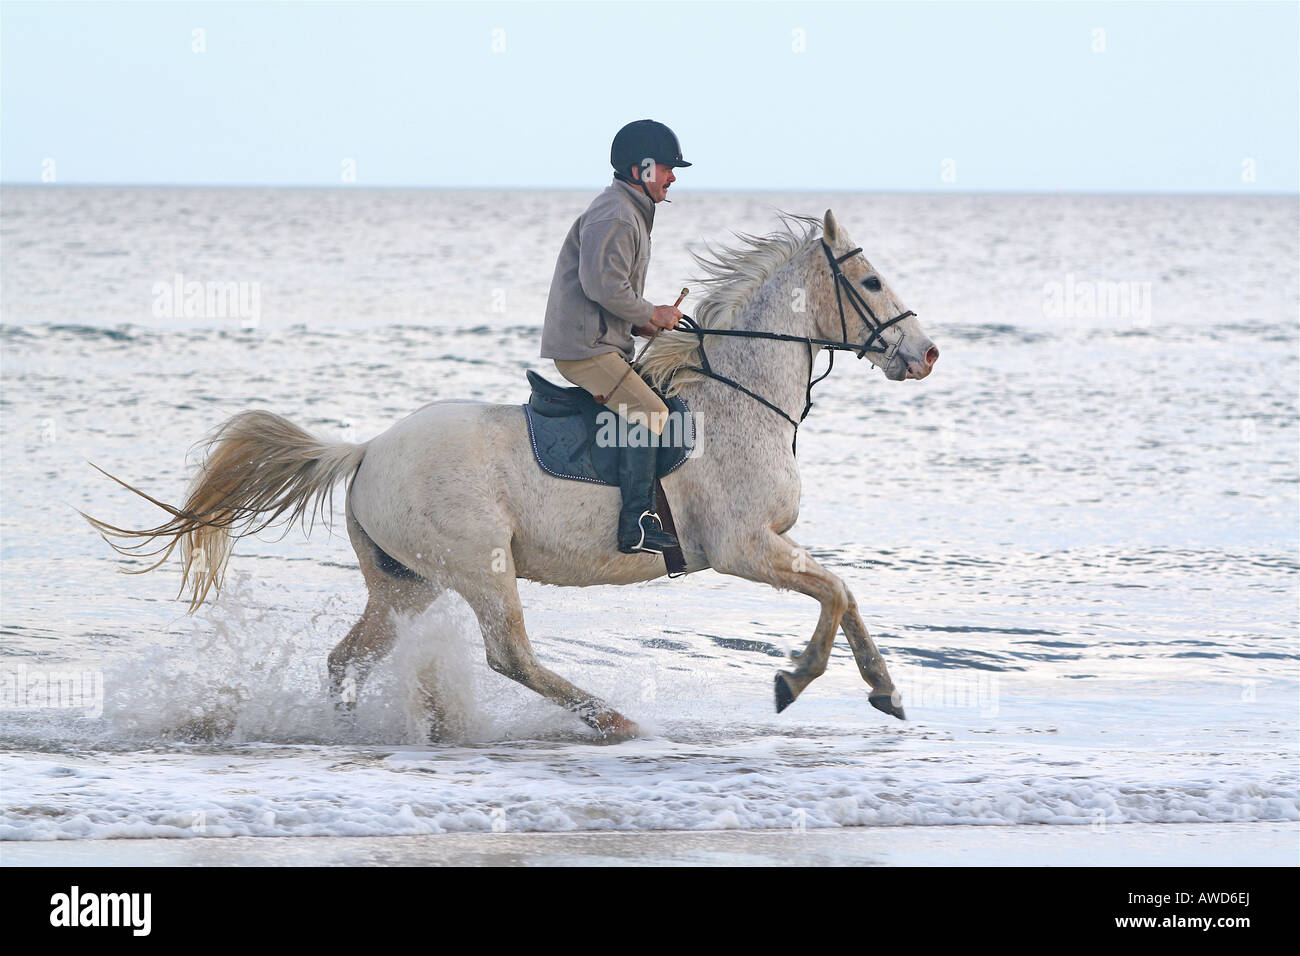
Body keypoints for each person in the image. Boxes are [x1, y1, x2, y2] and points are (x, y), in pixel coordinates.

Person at [539, 119, 691, 555]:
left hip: (601, 340)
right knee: (651, 413)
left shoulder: (629, 211)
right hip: (585, 351)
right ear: (642, 169)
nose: (672, 177)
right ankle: (636, 526)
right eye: (667, 167)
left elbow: (607, 292)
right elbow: (603, 288)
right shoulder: (617, 214)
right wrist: (652, 312)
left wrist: (642, 324)